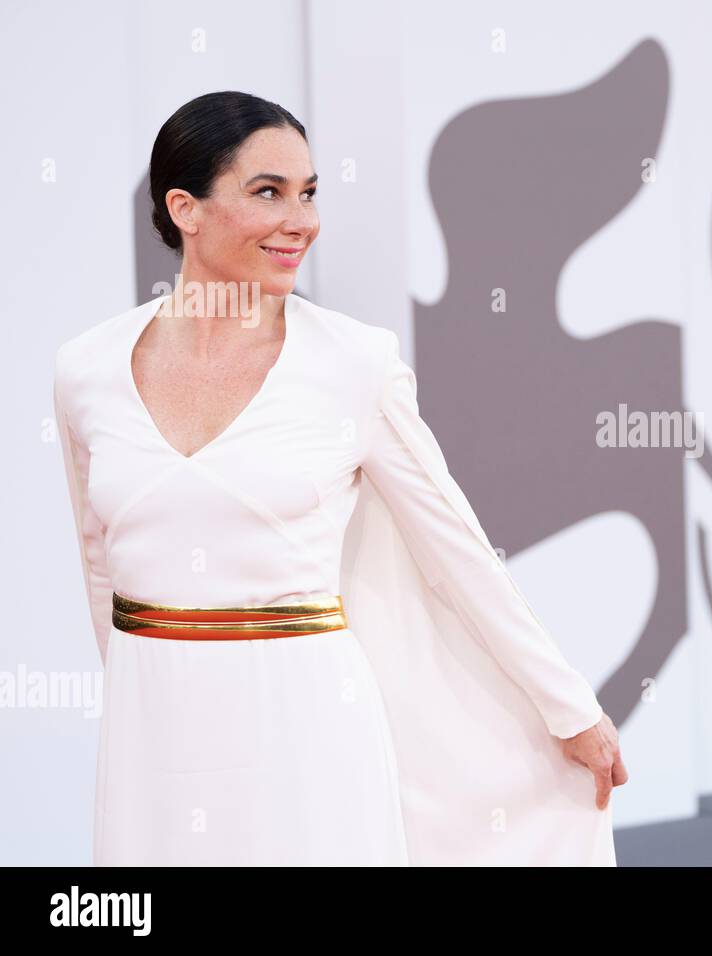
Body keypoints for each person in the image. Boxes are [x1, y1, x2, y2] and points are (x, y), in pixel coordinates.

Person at [52, 91, 627, 865]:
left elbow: (459, 551)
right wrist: (133, 694)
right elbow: (99, 559)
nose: (303, 221)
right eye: (269, 192)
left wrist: (569, 709)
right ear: (184, 208)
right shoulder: (85, 369)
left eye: (310, 192)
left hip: (308, 729)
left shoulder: (354, 364)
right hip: (150, 733)